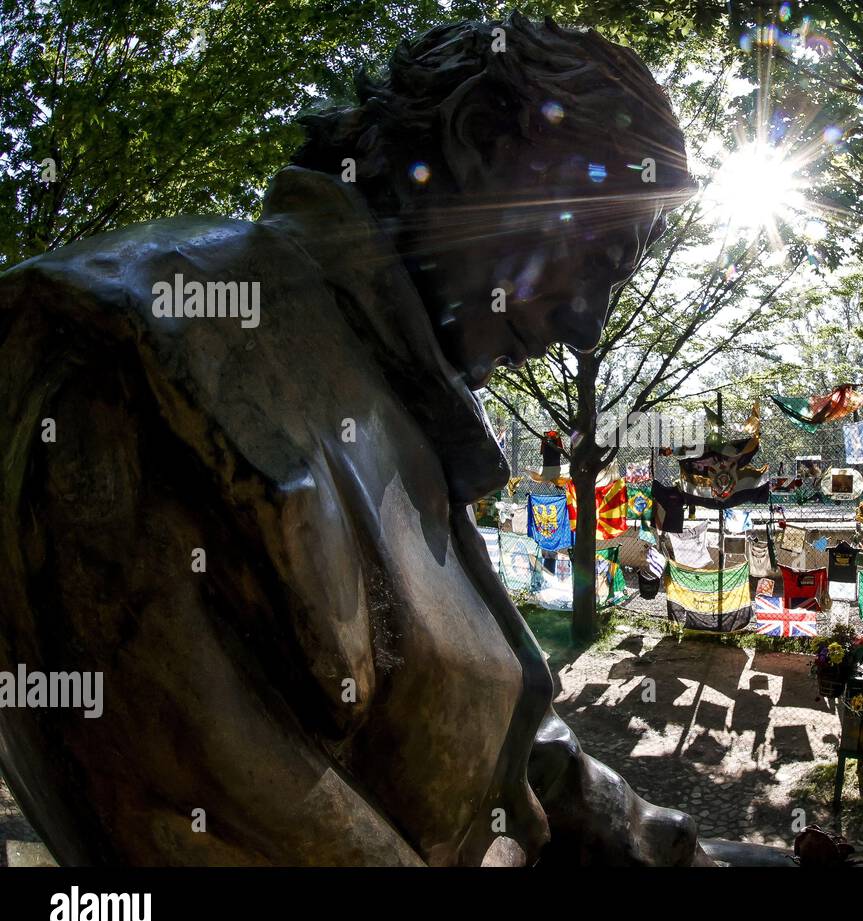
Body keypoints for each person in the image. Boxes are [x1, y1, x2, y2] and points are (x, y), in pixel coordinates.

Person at [0, 15, 709, 866]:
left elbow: (512, 745)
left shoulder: (401, 400)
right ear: (481, 140)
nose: (586, 325)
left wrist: (665, 848)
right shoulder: (141, 341)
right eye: (597, 254)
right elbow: (216, 818)